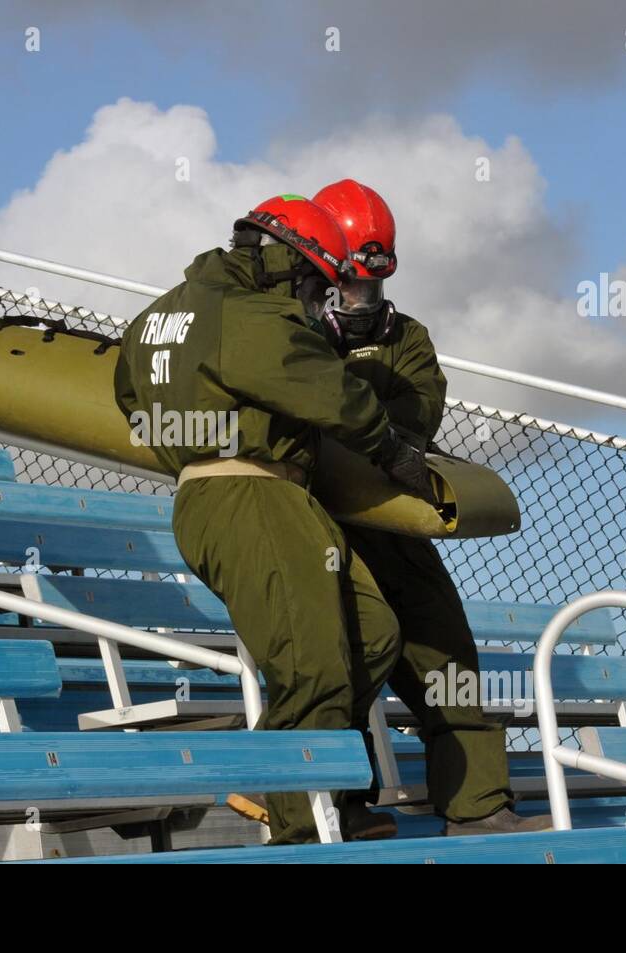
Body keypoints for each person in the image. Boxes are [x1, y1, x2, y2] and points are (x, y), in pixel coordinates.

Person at [114, 194, 435, 844]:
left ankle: (269, 772)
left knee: (372, 635)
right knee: (313, 665)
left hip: (232, 496)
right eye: (317, 285)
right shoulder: (253, 315)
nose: (320, 301)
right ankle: (303, 827)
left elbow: (127, 392)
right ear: (289, 261)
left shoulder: (158, 316)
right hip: (252, 495)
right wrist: (393, 450)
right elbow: (328, 391)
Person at [312, 178, 550, 835]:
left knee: (448, 653)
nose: (363, 300)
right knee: (350, 652)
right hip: (319, 525)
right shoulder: (288, 332)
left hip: (394, 517)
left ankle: (478, 805)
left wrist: (349, 416)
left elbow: (413, 418)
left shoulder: (406, 337)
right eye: (351, 284)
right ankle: (335, 803)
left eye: (373, 285)